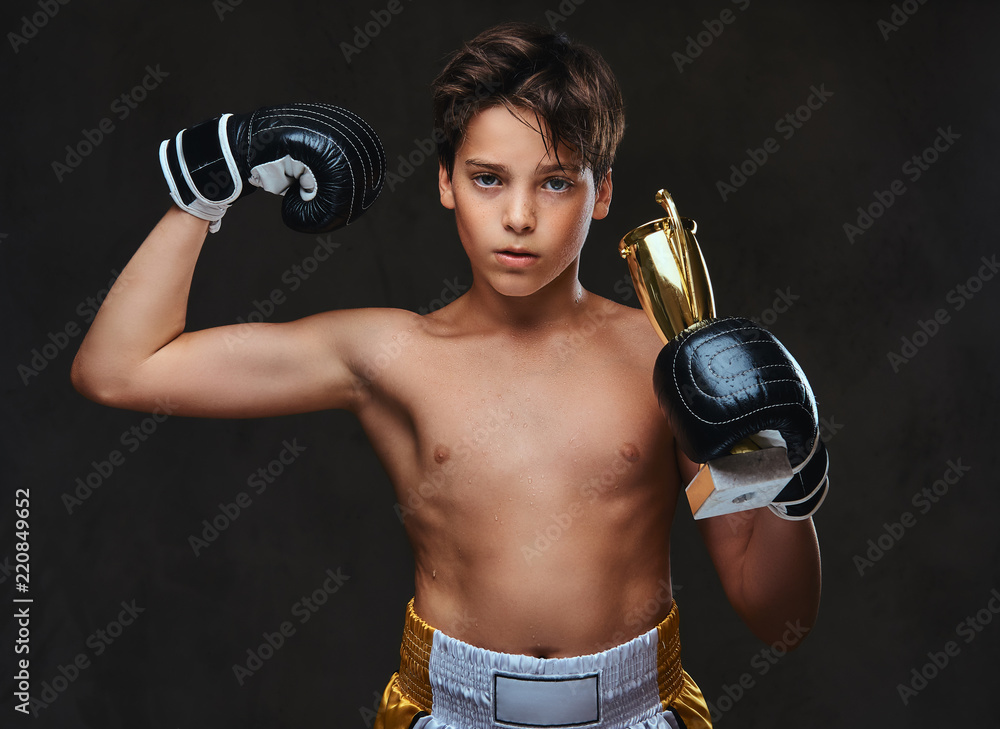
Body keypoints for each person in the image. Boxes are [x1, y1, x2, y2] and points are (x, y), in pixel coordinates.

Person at [71, 21, 827, 729]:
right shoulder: (389, 353)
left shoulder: (673, 359)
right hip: (449, 711)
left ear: (602, 194)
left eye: (557, 181)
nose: (520, 215)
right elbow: (119, 369)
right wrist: (212, 178)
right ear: (445, 182)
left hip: (638, 709)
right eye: (489, 178)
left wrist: (792, 486)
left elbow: (777, 617)